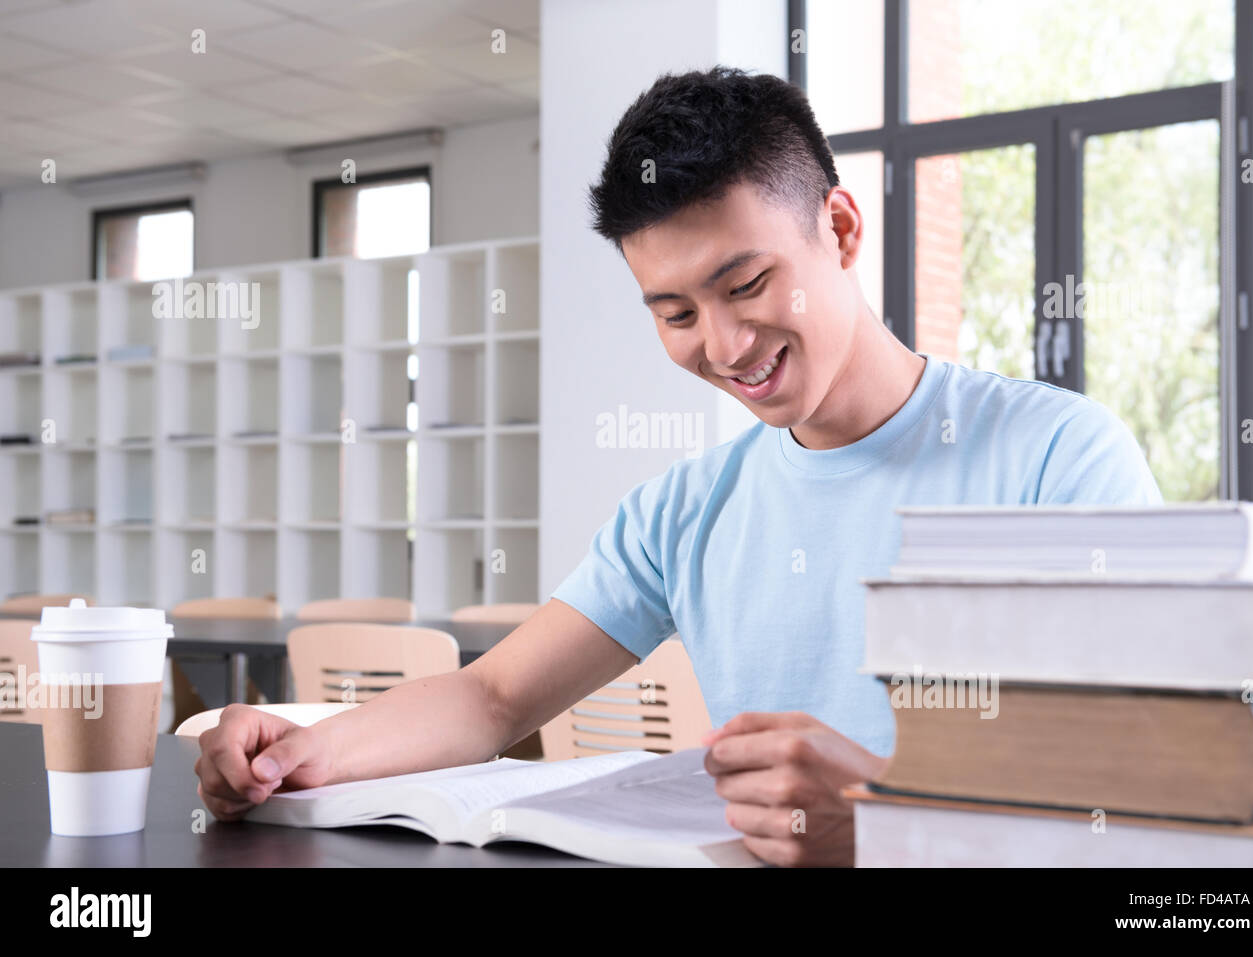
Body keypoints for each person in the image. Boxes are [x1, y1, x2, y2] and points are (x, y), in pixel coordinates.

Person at [194, 66, 1162, 866]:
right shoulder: (685, 510)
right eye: (676, 314)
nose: (727, 343)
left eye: (744, 284)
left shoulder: (1057, 461)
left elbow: (1156, 778)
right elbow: (493, 698)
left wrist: (883, 819)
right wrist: (298, 753)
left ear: (840, 228)